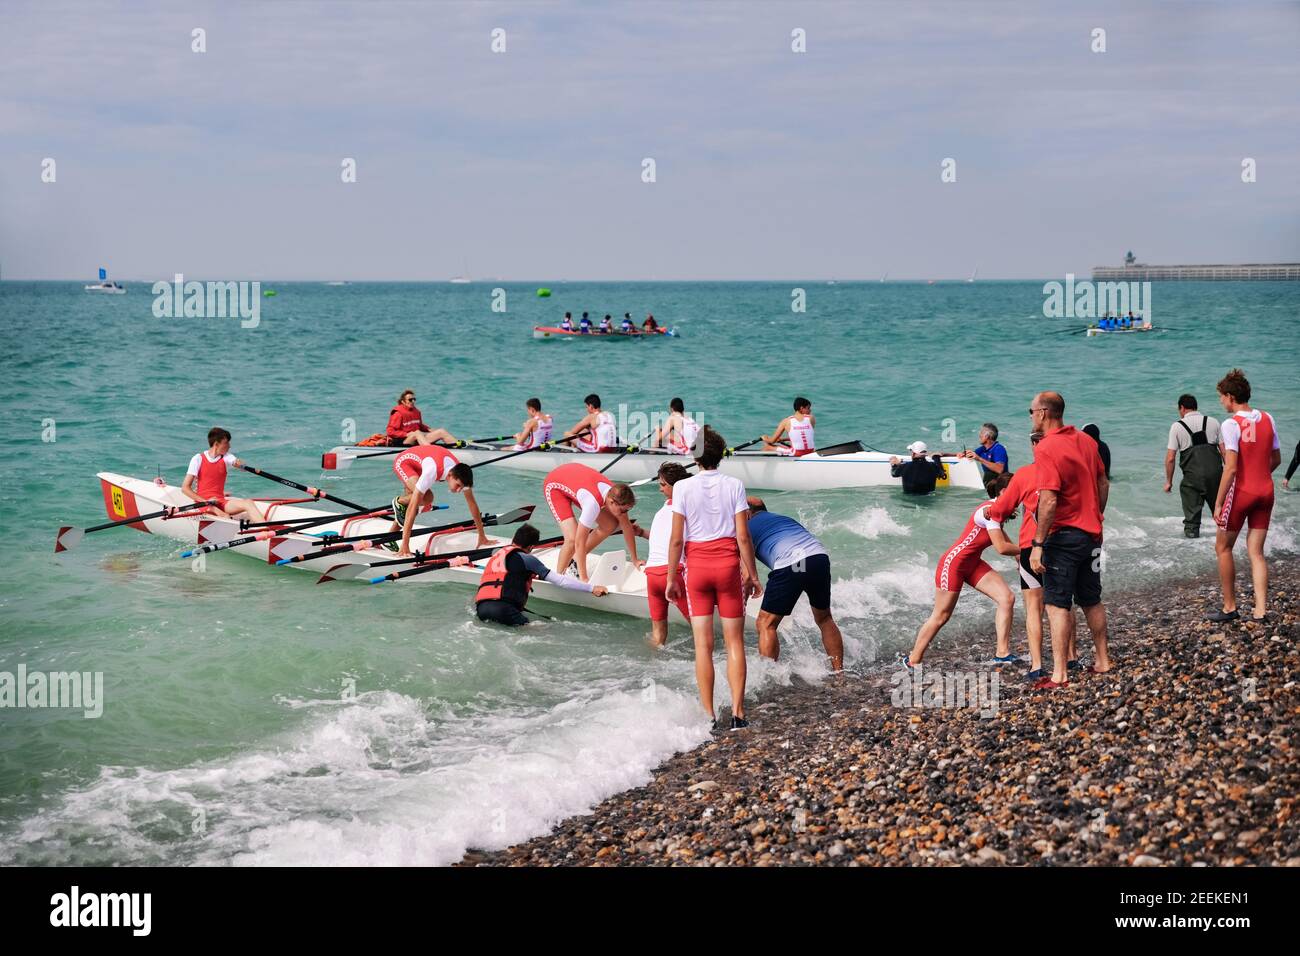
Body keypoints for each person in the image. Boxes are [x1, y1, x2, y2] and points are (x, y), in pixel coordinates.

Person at [664, 427, 761, 728]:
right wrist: (753, 575)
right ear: (721, 455)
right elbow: (743, 537)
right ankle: (738, 713)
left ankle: (708, 715)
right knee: (734, 643)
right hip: (728, 567)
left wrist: (671, 578)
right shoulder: (734, 485)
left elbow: (677, 540)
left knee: (703, 646)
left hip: (697, 569)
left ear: (695, 456)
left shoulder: (681, 488)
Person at [1027, 391, 1113, 689]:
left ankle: (1060, 674)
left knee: (1057, 605)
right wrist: (1095, 516)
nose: (1031, 416)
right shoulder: (1087, 441)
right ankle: (1103, 660)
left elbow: (1048, 500)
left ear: (1044, 413)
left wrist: (1037, 544)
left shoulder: (1046, 447)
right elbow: (1103, 482)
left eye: (1031, 410)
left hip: (1063, 537)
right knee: (1091, 599)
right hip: (1092, 534)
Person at [987, 432, 1076, 680]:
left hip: (1030, 545)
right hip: (1061, 544)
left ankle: (1037, 665)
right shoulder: (1067, 470)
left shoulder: (1024, 474)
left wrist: (989, 513)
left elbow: (1002, 508)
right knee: (1062, 604)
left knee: (1033, 608)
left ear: (1034, 445)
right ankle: (1071, 657)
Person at [905, 473, 1019, 668]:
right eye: (1017, 491)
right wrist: (1031, 549)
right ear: (1004, 492)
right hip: (954, 564)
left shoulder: (998, 509)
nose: (1021, 495)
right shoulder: (989, 511)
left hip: (972, 563)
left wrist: (1017, 553)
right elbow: (1000, 548)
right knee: (941, 616)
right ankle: (913, 660)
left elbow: (1000, 533)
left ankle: (1002, 653)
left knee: (1006, 598)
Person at [1209, 369, 1281, 623]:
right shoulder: (1268, 418)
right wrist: (1260, 476)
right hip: (1266, 491)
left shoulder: (1231, 424)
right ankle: (1261, 610)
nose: (1220, 401)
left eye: (1221, 397)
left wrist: (1218, 503)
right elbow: (1276, 459)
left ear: (1230, 396)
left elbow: (1230, 469)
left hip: (1242, 492)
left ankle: (1230, 607)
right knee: (1256, 552)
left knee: (1222, 547)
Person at [747, 497, 843, 672]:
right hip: (819, 558)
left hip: (793, 563)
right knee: (824, 618)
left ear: (747, 513)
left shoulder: (745, 527)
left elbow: (742, 565)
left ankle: (770, 678)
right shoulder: (785, 519)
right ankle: (839, 673)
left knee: (766, 624)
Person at [470, 524, 609, 626]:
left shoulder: (497, 554)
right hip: (504, 610)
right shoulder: (528, 559)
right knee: (546, 629)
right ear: (531, 547)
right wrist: (591, 588)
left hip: (481, 609)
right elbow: (560, 581)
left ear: (514, 539)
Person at [541, 461, 640, 581]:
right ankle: (559, 577)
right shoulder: (592, 504)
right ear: (612, 502)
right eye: (623, 511)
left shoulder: (617, 494)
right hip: (555, 485)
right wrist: (584, 578)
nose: (624, 514)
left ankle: (575, 561)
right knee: (572, 539)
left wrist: (635, 559)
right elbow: (579, 542)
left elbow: (627, 527)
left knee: (610, 525)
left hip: (574, 478)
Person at [390, 445, 489, 557]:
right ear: (450, 475)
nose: (458, 490)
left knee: (415, 505)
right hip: (405, 462)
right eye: (458, 486)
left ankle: (389, 537)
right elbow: (412, 507)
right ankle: (400, 502)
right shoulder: (432, 471)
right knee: (426, 498)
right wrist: (405, 546)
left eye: (461, 487)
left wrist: (482, 536)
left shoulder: (461, 474)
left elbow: (473, 505)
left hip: (422, 463)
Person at [635, 462, 693, 646]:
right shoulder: (685, 508)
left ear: (675, 486)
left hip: (652, 576)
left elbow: (664, 540)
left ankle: (651, 670)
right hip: (673, 574)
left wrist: (642, 533)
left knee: (658, 636)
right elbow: (679, 542)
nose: (660, 489)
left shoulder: (663, 510)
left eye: (662, 484)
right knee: (699, 627)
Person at [1164, 394, 1223, 538]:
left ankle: (1193, 548)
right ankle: (1229, 549)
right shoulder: (1214, 422)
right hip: (1216, 477)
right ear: (1196, 407)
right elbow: (1225, 452)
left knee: (1191, 524)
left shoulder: (1177, 426)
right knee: (1222, 516)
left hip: (1192, 480)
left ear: (1182, 408)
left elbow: (1170, 458)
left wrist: (1169, 482)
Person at [181, 427, 266, 522]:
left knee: (248, 503)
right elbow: (185, 488)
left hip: (220, 501)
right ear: (216, 444)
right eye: (226, 443)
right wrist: (205, 502)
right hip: (203, 503)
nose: (229, 446)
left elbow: (237, 463)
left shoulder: (226, 457)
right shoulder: (198, 459)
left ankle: (266, 531)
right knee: (225, 516)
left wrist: (241, 465)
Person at [386, 389, 457, 447]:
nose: (413, 401)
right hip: (403, 442)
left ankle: (458, 446)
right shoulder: (398, 413)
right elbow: (390, 431)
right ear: (403, 401)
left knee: (441, 431)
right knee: (417, 433)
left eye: (414, 399)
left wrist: (429, 429)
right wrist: (406, 434)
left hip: (418, 439)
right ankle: (431, 452)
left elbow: (419, 425)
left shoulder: (416, 412)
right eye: (410, 400)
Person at [964, 423, 1009, 495]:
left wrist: (979, 458)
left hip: (1001, 488)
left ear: (987, 436)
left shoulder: (999, 449)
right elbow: (970, 455)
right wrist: (946, 454)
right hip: (988, 486)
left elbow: (999, 469)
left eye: (981, 433)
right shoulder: (983, 449)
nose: (979, 435)